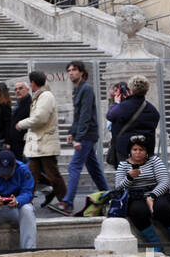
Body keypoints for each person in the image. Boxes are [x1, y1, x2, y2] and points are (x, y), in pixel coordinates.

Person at [115, 134, 170, 257]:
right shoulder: (123, 165)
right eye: (135, 150)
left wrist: (152, 196)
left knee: (162, 207)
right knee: (137, 211)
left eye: (141, 150)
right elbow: (119, 188)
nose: (138, 153)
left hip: (156, 194)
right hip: (135, 196)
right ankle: (155, 244)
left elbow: (164, 182)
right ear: (130, 151)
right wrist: (130, 177)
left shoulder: (154, 161)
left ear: (146, 151)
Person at [60, 60, 105, 214]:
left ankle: (68, 202)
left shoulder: (86, 89)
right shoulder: (78, 89)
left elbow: (85, 115)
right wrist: (72, 132)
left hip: (87, 134)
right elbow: (78, 116)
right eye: (69, 70)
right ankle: (108, 195)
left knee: (74, 166)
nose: (71, 72)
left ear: (81, 72)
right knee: (94, 169)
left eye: (74, 70)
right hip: (84, 133)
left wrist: (78, 137)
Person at [17, 71, 67, 208]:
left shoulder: (46, 96)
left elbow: (40, 118)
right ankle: (26, 202)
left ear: (32, 83)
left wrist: (21, 124)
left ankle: (65, 201)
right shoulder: (40, 96)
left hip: (45, 144)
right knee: (31, 175)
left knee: (53, 175)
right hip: (39, 145)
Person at [107, 74, 160, 164]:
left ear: (131, 90)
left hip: (125, 150)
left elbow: (110, 116)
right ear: (146, 90)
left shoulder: (123, 107)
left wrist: (116, 103)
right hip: (146, 150)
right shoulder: (152, 110)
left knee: (126, 176)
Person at [6, 81, 30, 161]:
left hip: (24, 145)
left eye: (20, 88)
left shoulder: (31, 104)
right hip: (15, 145)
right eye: (15, 89)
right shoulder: (18, 104)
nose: (18, 91)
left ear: (28, 89)